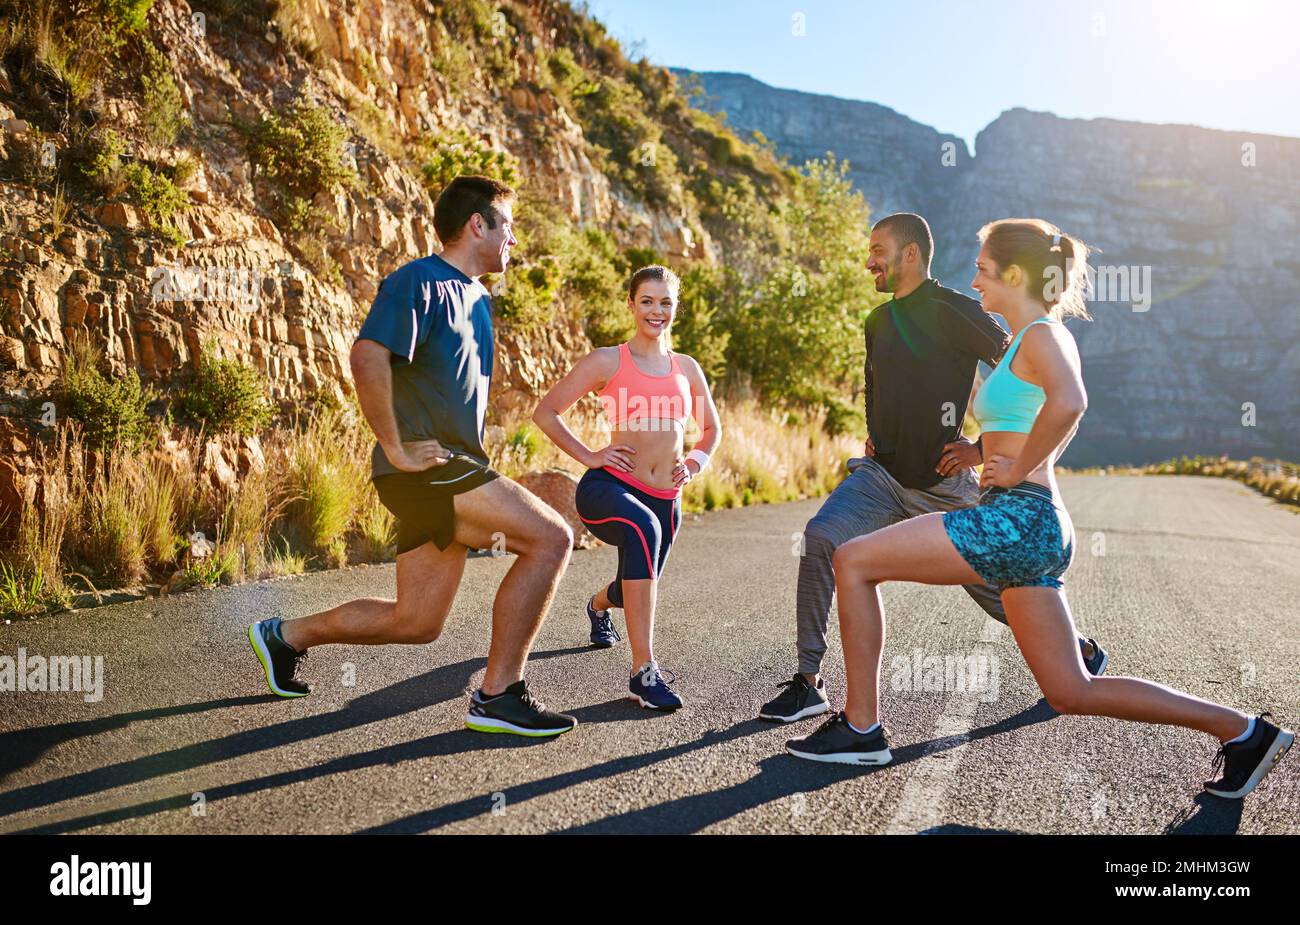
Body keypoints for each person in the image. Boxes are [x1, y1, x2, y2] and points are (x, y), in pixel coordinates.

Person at [787, 218, 1294, 800]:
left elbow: (1072, 403)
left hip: (1018, 518)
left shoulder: (1042, 338)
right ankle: (1245, 733)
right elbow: (1043, 414)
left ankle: (861, 727)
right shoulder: (1027, 343)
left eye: (982, 270)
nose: (974, 281)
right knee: (1070, 690)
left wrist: (1023, 463)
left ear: (1015, 275)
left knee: (852, 560)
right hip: (1028, 520)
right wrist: (990, 451)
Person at [248, 175, 579, 738]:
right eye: (510, 227)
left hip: (445, 471)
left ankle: (285, 636)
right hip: (429, 469)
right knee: (551, 538)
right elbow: (367, 356)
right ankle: (499, 695)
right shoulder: (419, 281)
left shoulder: (478, 299)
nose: (514, 241)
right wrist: (397, 447)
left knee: (416, 622)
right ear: (479, 224)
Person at [760, 213, 1109, 724]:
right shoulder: (876, 321)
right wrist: (875, 431)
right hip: (882, 477)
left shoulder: (958, 311)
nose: (868, 260)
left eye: (878, 249)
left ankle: (1074, 650)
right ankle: (809, 682)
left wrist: (985, 451)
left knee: (1002, 587)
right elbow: (874, 384)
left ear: (909, 254)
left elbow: (1020, 377)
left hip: (946, 480)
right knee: (822, 538)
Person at [533, 265, 722, 711]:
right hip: (609, 488)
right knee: (642, 533)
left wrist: (694, 462)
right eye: (647, 301)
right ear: (631, 304)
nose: (656, 311)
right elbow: (547, 412)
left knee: (635, 582)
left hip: (667, 499)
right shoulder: (607, 360)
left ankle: (598, 607)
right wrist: (591, 456)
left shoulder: (687, 368)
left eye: (665, 302)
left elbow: (711, 428)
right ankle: (644, 672)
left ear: (676, 308)